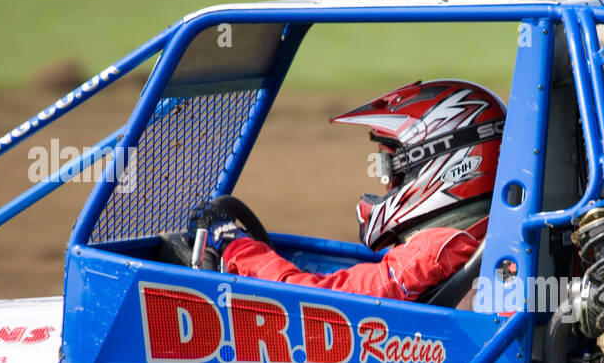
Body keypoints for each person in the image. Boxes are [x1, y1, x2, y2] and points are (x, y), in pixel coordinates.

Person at [191, 79, 505, 302]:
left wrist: (234, 247)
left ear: (448, 165)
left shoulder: (433, 253)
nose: (386, 183)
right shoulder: (482, 233)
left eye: (392, 168)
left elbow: (320, 300)